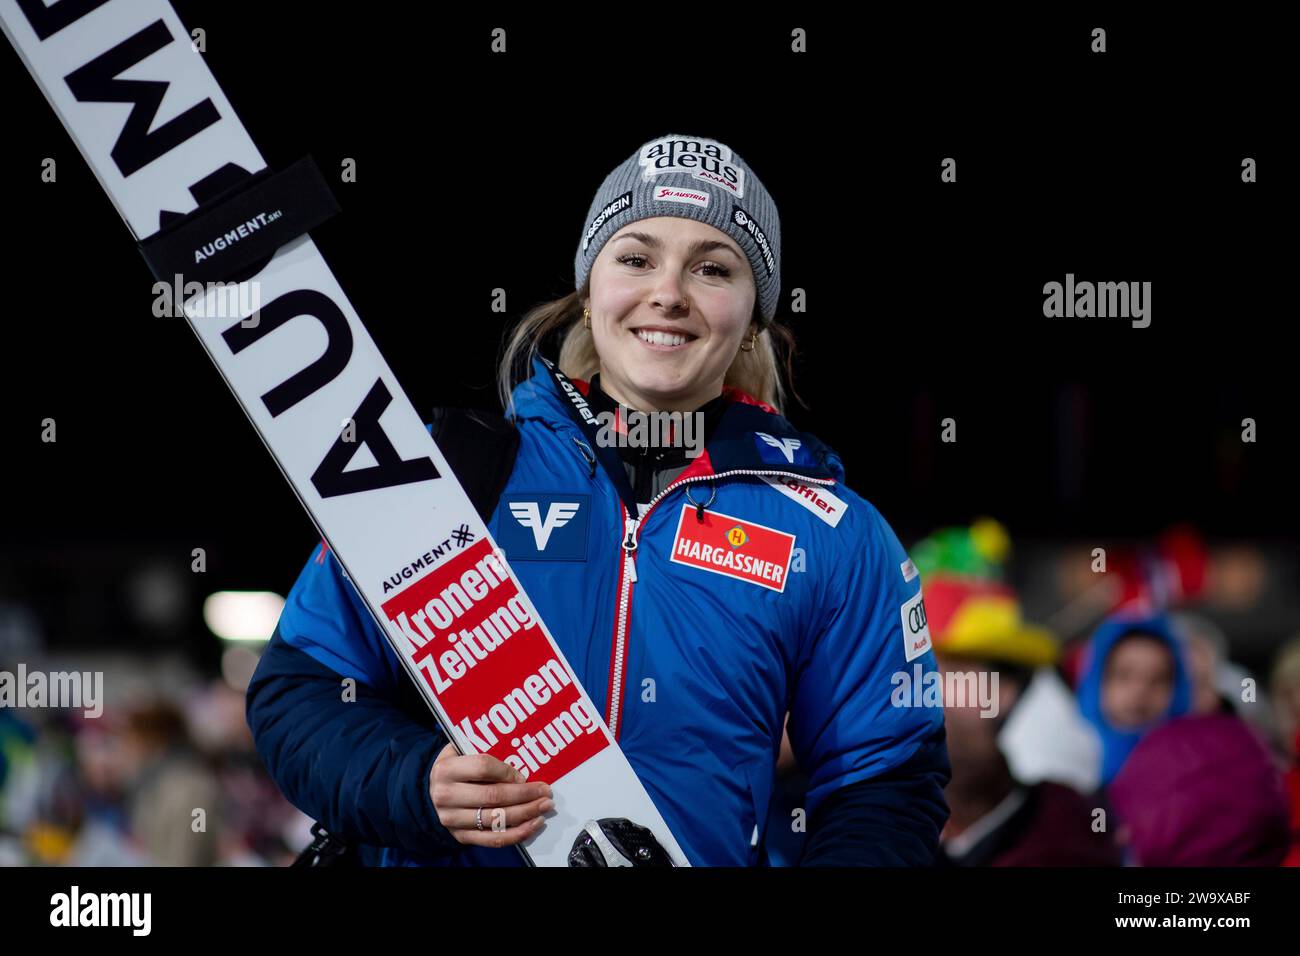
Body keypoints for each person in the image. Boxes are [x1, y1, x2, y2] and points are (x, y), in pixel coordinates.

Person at [246, 133, 951, 866]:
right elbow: (302, 689)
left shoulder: (832, 533)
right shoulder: (449, 471)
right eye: (637, 258)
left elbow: (886, 783)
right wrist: (413, 782)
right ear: (589, 293)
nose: (669, 294)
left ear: (754, 321)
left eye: (713, 268)